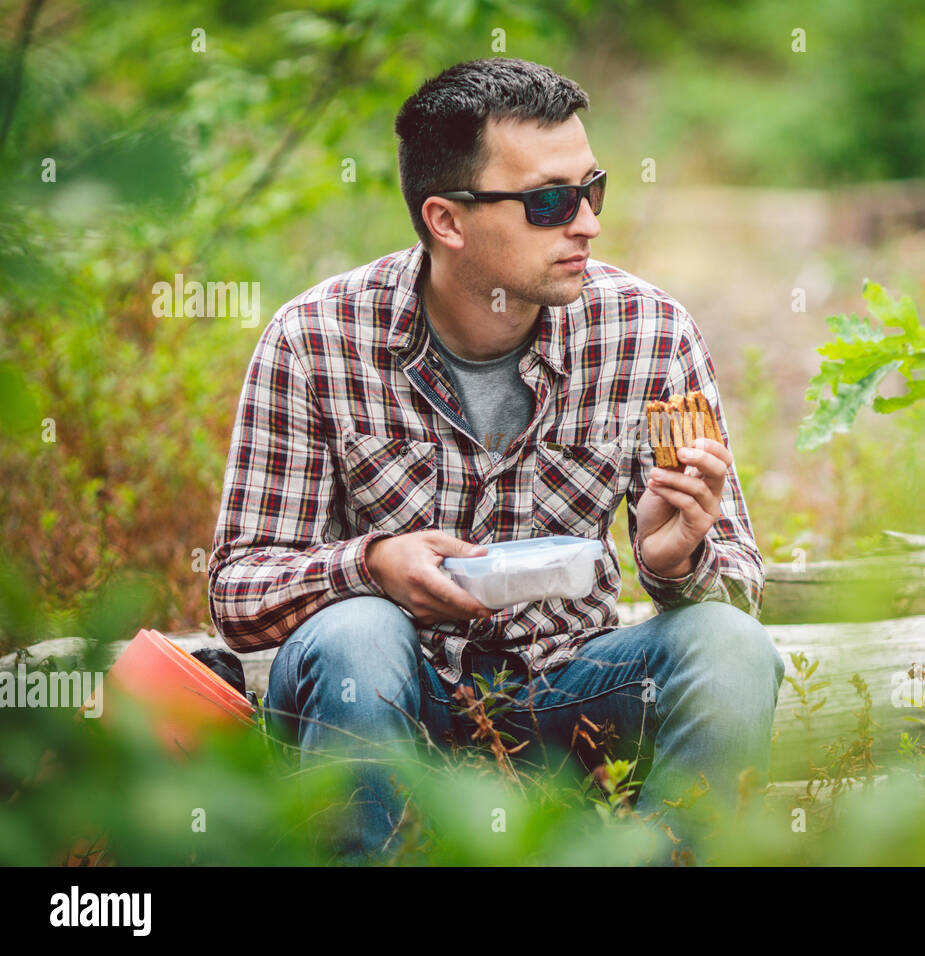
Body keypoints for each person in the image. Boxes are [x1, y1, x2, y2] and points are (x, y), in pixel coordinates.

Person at [207, 56, 783, 864]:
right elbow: (236, 589)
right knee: (360, 631)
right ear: (447, 220)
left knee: (731, 646)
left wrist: (674, 561)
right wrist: (371, 567)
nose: (586, 224)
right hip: (391, 699)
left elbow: (741, 589)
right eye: (550, 201)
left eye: (592, 190)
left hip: (569, 695)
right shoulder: (315, 340)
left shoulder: (649, 334)